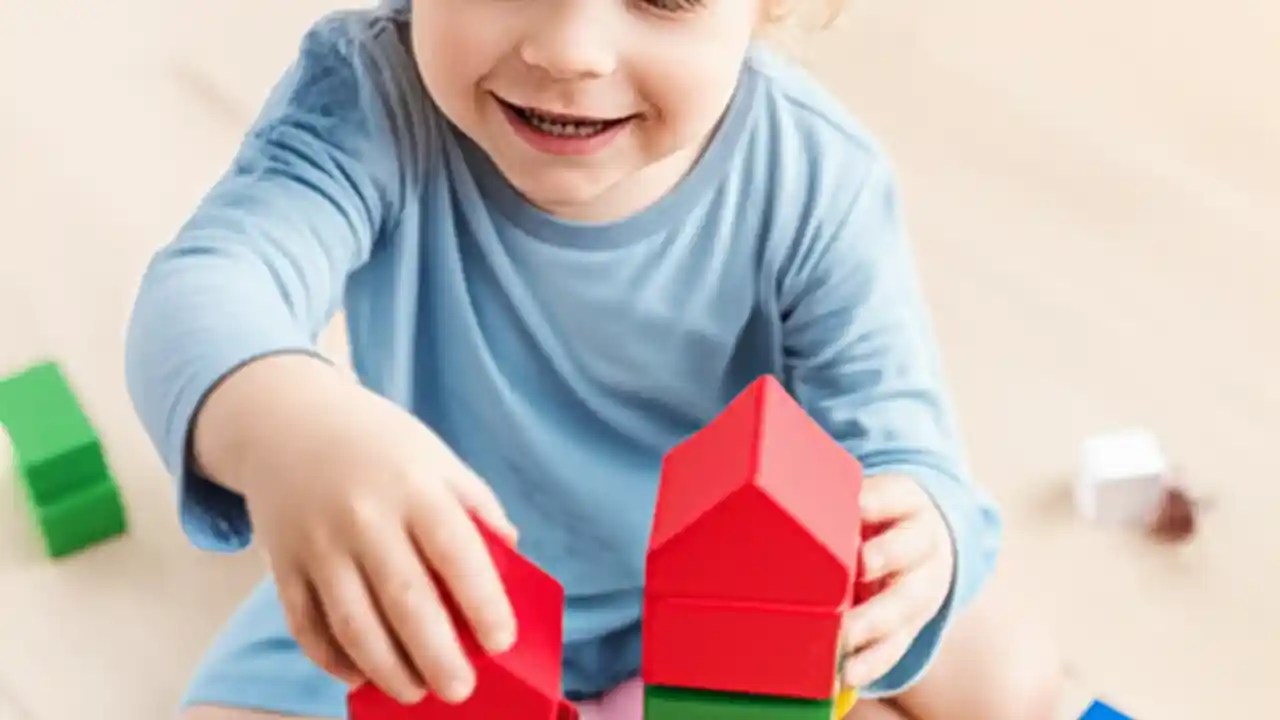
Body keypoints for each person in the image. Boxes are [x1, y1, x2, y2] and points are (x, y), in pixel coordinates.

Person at [124, 0, 1064, 717]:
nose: (567, 48)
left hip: (744, 592)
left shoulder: (816, 174)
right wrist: (288, 419)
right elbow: (206, 291)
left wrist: (915, 543)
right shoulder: (371, 98)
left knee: (1003, 657)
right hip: (447, 582)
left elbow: (899, 438)